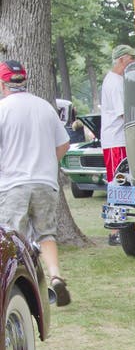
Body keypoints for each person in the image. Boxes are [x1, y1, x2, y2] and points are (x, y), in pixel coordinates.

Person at [0, 60, 71, 306]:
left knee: (13, 240)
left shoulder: (2, 109)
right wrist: (48, 164)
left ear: (3, 83)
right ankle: (56, 277)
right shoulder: (45, 108)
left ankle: (18, 290)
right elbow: (63, 144)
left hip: (14, 184)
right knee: (46, 234)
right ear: (24, 81)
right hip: (45, 181)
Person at [101, 44, 135, 243]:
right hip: (116, 140)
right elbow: (124, 114)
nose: (133, 62)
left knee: (123, 184)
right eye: (131, 59)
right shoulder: (115, 83)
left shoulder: (115, 81)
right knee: (119, 183)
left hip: (118, 140)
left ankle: (124, 228)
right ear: (121, 59)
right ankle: (116, 231)